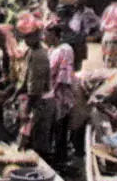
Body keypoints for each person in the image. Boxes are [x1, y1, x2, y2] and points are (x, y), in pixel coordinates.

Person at [9, 13, 51, 157]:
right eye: (24, 36)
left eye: (28, 36)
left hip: (37, 99)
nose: (25, 40)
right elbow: (25, 77)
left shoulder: (39, 54)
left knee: (30, 135)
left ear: (37, 35)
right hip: (31, 96)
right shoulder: (31, 51)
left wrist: (27, 110)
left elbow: (35, 87)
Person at [44, 23, 75, 164]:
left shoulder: (65, 49)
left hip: (60, 92)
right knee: (51, 127)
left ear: (55, 35)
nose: (45, 37)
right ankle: (52, 156)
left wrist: (54, 91)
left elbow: (63, 73)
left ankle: (60, 159)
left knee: (60, 126)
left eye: (48, 35)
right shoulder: (51, 50)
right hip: (50, 92)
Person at [68, 0, 100, 70]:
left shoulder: (89, 12)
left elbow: (98, 24)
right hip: (70, 40)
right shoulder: (72, 11)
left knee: (78, 65)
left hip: (80, 42)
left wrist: (90, 33)